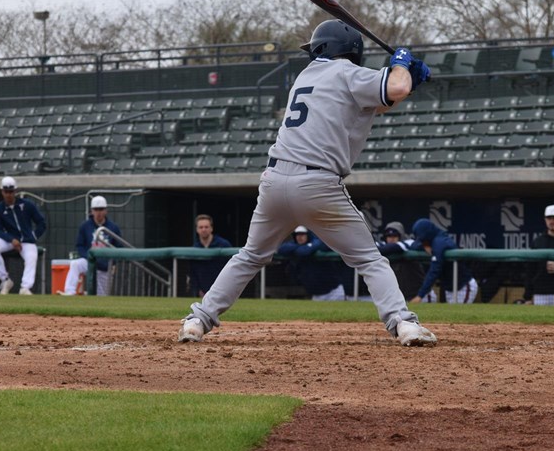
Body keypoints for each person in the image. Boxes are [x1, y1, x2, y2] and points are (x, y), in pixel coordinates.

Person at [177, 19, 437, 346]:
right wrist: (401, 65)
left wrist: (408, 78)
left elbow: (383, 99)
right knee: (370, 259)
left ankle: (197, 321)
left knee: (250, 255)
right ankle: (403, 323)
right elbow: (393, 89)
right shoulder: (347, 73)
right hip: (317, 183)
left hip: (274, 181)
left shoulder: (307, 77)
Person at [0, 176, 46, 295]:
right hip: (9, 239)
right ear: (2, 192)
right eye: (6, 191)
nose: (8, 194)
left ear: (15, 191)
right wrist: (11, 239)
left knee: (31, 256)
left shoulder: (27, 205)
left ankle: (25, 287)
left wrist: (33, 236)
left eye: (11, 191)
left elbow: (41, 223)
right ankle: (5, 280)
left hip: (26, 240)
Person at [60, 195, 122, 296]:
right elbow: (80, 245)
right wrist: (88, 257)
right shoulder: (85, 226)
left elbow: (119, 248)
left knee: (101, 297)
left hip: (105, 266)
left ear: (106, 211)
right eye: (96, 209)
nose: (99, 212)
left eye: (101, 209)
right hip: (89, 262)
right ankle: (69, 292)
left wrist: (112, 263)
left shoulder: (113, 227)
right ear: (92, 211)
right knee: (76, 264)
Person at [409, 218, 478, 303]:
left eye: (424, 240)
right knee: (453, 314)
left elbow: (434, 271)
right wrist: (424, 246)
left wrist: (420, 296)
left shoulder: (440, 242)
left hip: (463, 286)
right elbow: (414, 245)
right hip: (450, 288)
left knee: (457, 314)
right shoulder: (432, 240)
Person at [277, 226, 347, 301]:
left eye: (302, 234)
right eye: (297, 234)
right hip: (316, 294)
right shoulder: (295, 245)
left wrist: (307, 247)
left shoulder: (318, 241)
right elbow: (281, 249)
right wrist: (300, 247)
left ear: (308, 235)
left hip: (334, 291)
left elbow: (304, 251)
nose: (299, 237)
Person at [375, 221, 425, 302]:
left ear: (400, 236)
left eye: (395, 235)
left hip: (417, 294)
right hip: (396, 297)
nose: (391, 238)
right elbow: (371, 248)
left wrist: (385, 249)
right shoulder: (381, 244)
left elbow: (394, 247)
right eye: (389, 236)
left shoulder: (410, 242)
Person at [188, 214, 232, 297]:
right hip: (202, 293)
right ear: (197, 229)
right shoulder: (194, 249)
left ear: (211, 228)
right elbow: (193, 273)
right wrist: (198, 290)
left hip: (222, 289)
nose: (203, 229)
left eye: (206, 227)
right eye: (201, 227)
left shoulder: (224, 244)